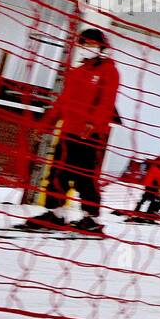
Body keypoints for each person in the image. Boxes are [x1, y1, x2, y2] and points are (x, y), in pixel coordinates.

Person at [21, 27, 120, 233]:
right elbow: (62, 103)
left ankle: (90, 218)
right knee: (58, 174)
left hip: (90, 135)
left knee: (85, 177)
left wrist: (92, 124)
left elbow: (106, 102)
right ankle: (56, 215)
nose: (86, 48)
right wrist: (45, 125)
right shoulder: (76, 72)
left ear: (101, 47)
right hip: (68, 133)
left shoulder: (108, 71)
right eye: (83, 44)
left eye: (91, 44)